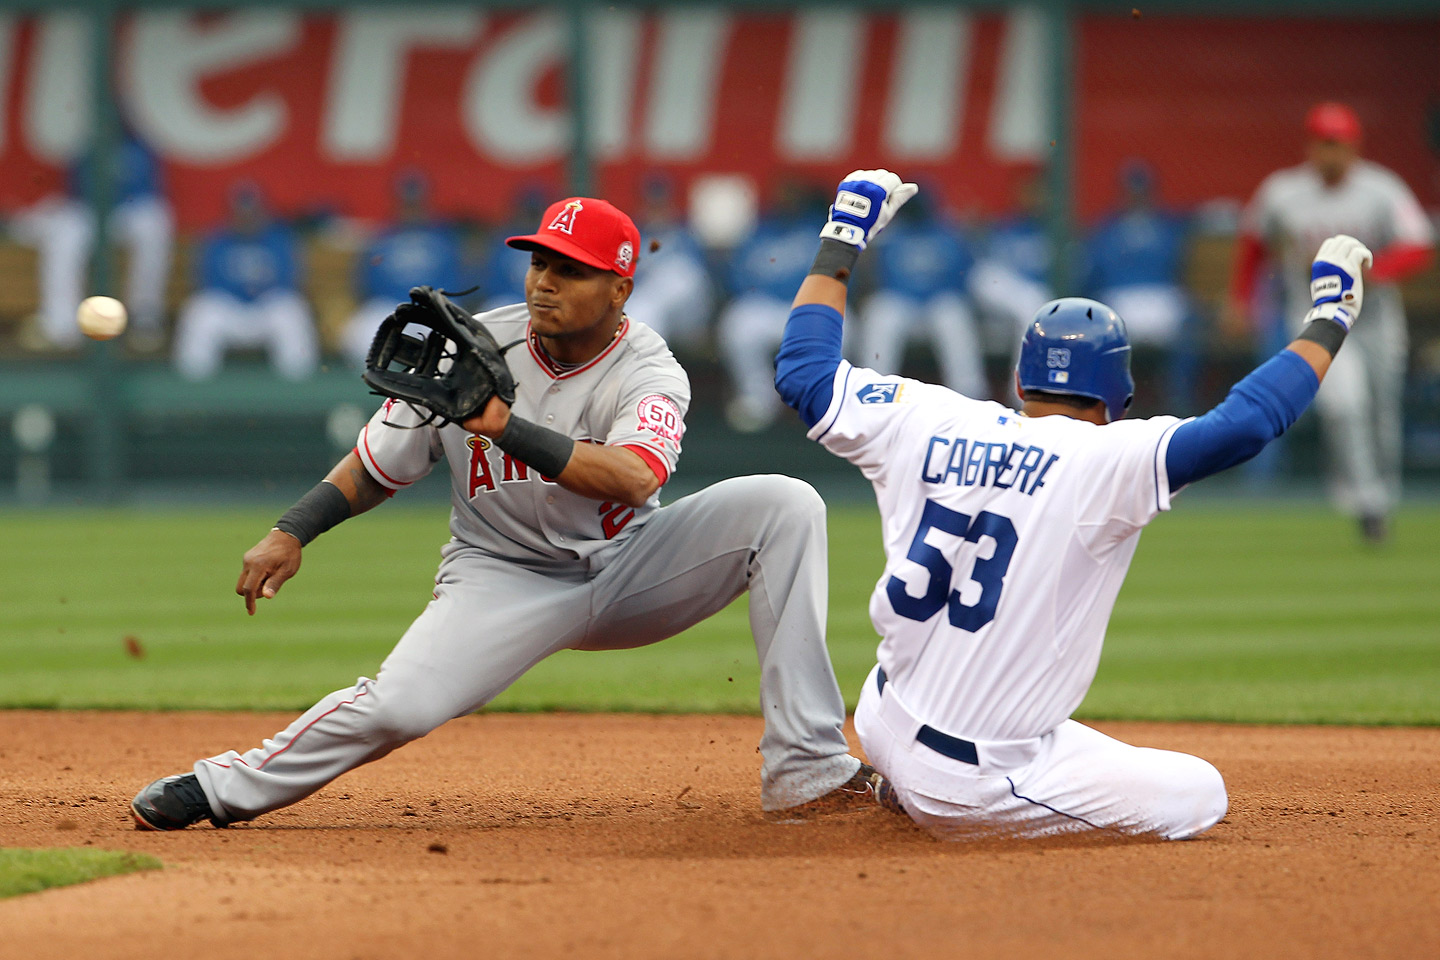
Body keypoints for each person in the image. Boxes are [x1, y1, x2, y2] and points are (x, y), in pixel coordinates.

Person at [130, 195, 889, 831]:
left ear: (620, 289)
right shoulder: (474, 347)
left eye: (570, 270)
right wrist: (291, 530)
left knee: (786, 504)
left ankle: (806, 769)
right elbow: (375, 465)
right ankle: (222, 787)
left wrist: (504, 427)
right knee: (399, 707)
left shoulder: (649, 368)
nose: (544, 283)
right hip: (501, 576)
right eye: (538, 264)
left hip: (635, 566)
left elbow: (633, 478)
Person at [774, 168, 1373, 840]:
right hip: (970, 785)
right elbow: (1246, 424)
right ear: (1121, 397)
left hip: (882, 716)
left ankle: (904, 776)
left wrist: (843, 235)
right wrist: (1330, 320)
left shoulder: (928, 416)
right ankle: (927, 797)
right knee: (1200, 791)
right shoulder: (1107, 458)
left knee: (1066, 736)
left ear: (1021, 378)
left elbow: (804, 374)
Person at [1228, 102, 1434, 542]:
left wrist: (1375, 272)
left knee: (1381, 412)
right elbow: (1253, 244)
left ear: (1354, 146)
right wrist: (1243, 300)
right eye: (1324, 143)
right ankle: (1367, 504)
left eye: (1338, 144)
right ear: (1310, 146)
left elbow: (1419, 243)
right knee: (1344, 406)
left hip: (1376, 319)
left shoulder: (1381, 189)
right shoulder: (1283, 192)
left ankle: (1381, 496)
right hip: (1318, 319)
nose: (1331, 153)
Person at [9, 134, 174, 353]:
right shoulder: (85, 146)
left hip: (128, 211)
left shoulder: (139, 147)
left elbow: (146, 192)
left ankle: (144, 318)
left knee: (154, 222)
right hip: (89, 211)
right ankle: (61, 325)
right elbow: (79, 190)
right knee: (66, 233)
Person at [1083, 161, 1198, 412]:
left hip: (1160, 297)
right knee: (1103, 340)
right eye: (1132, 190)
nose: (1137, 196)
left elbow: (1179, 267)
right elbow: (1093, 275)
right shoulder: (1107, 229)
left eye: (1141, 190)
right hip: (1120, 299)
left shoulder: (1166, 225)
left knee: (1190, 328)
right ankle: (1111, 404)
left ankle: (1178, 401)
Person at [172, 184, 319, 380]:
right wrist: (243, 291)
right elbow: (207, 281)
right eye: (241, 211)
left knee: (292, 310)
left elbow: (288, 280)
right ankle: (193, 383)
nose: (247, 216)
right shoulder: (217, 240)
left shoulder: (279, 239)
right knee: (200, 311)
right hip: (230, 308)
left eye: (252, 211)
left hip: (266, 308)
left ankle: (298, 383)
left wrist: (259, 291)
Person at [717, 185, 825, 432]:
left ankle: (821, 399)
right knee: (738, 325)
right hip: (767, 306)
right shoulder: (759, 233)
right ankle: (759, 399)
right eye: (783, 198)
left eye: (793, 198)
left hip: (808, 306)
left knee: (843, 327)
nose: (788, 204)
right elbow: (738, 277)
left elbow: (839, 275)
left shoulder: (818, 231)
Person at [857, 191, 986, 398]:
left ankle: (969, 393)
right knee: (880, 315)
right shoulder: (890, 236)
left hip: (937, 305)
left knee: (954, 316)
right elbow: (882, 281)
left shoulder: (947, 234)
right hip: (903, 305)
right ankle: (874, 393)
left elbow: (961, 278)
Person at [342, 172, 465, 368]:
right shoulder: (382, 237)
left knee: (452, 348)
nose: (411, 209)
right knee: (357, 339)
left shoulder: (444, 237)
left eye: (416, 203)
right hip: (389, 306)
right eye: (407, 203)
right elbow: (364, 283)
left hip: (433, 309)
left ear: (426, 202)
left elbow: (458, 282)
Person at [626, 174, 714, 354]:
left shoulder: (686, 235)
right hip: (650, 310)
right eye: (652, 205)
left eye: (661, 204)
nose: (657, 211)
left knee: (678, 272)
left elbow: (699, 282)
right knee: (645, 311)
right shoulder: (634, 238)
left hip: (688, 318)